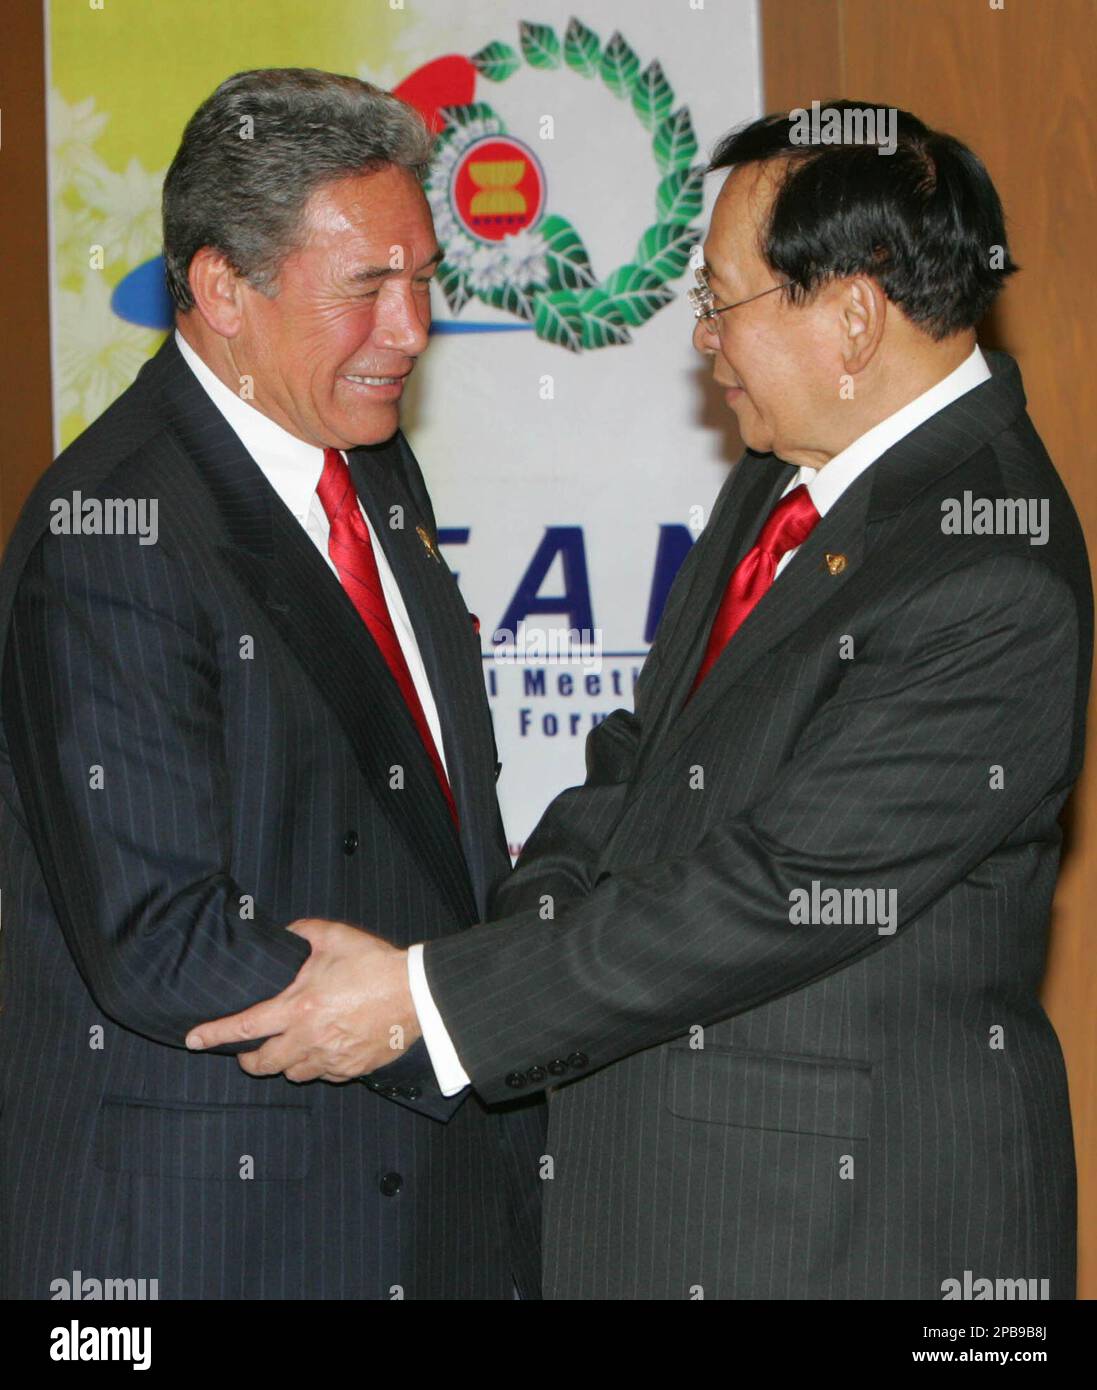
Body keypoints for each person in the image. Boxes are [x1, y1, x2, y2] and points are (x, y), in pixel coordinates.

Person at [190, 103, 1092, 1299]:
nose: (704, 344)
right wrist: (525, 920)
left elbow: (773, 892)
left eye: (719, 303)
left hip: (843, 1237)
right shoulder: (790, 469)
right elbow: (642, 755)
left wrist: (427, 999)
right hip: (681, 1209)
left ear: (853, 317)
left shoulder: (988, 571)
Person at [0, 67, 543, 1301]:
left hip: (420, 1213)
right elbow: (157, 939)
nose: (410, 330)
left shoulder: (370, 463)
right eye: (366, 288)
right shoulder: (116, 527)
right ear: (219, 291)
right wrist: (443, 1021)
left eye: (423, 281)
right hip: (215, 1239)